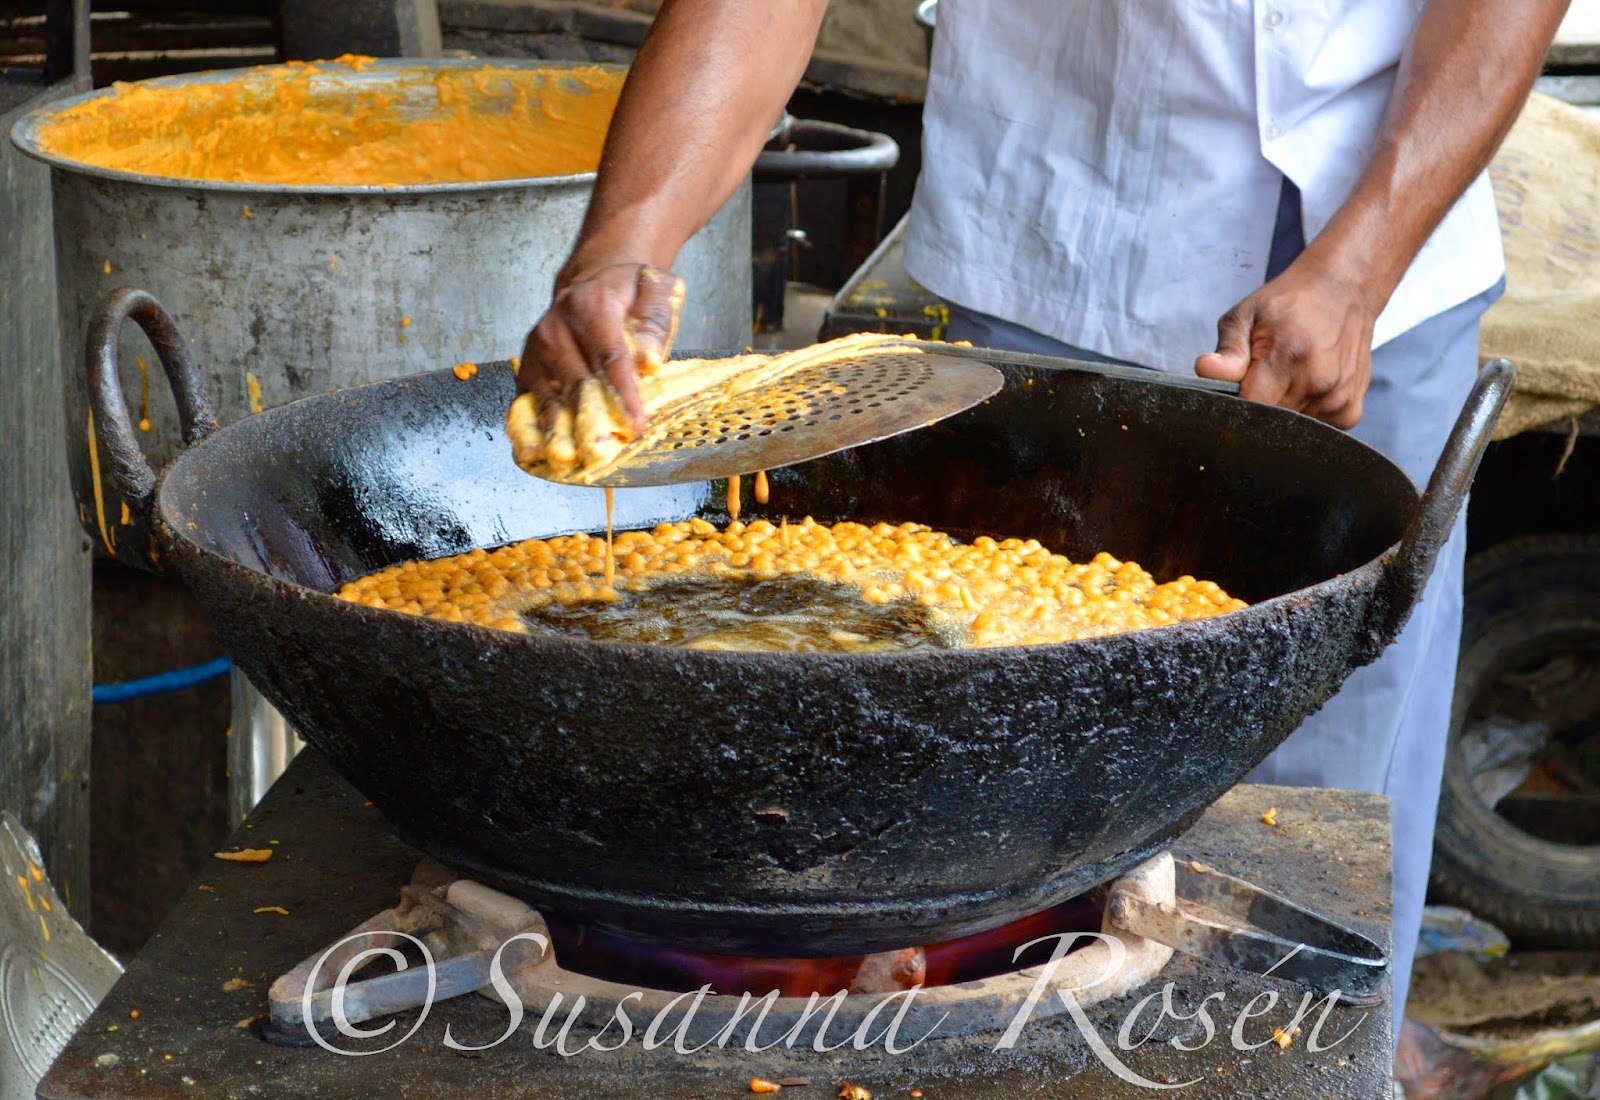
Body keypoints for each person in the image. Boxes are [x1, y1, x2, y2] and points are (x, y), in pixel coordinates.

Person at [516, 0, 1570, 1038]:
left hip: (1384, 242)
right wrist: (624, 243)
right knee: (1012, 797)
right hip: (1061, 245)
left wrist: (1359, 265)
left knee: (1318, 820)